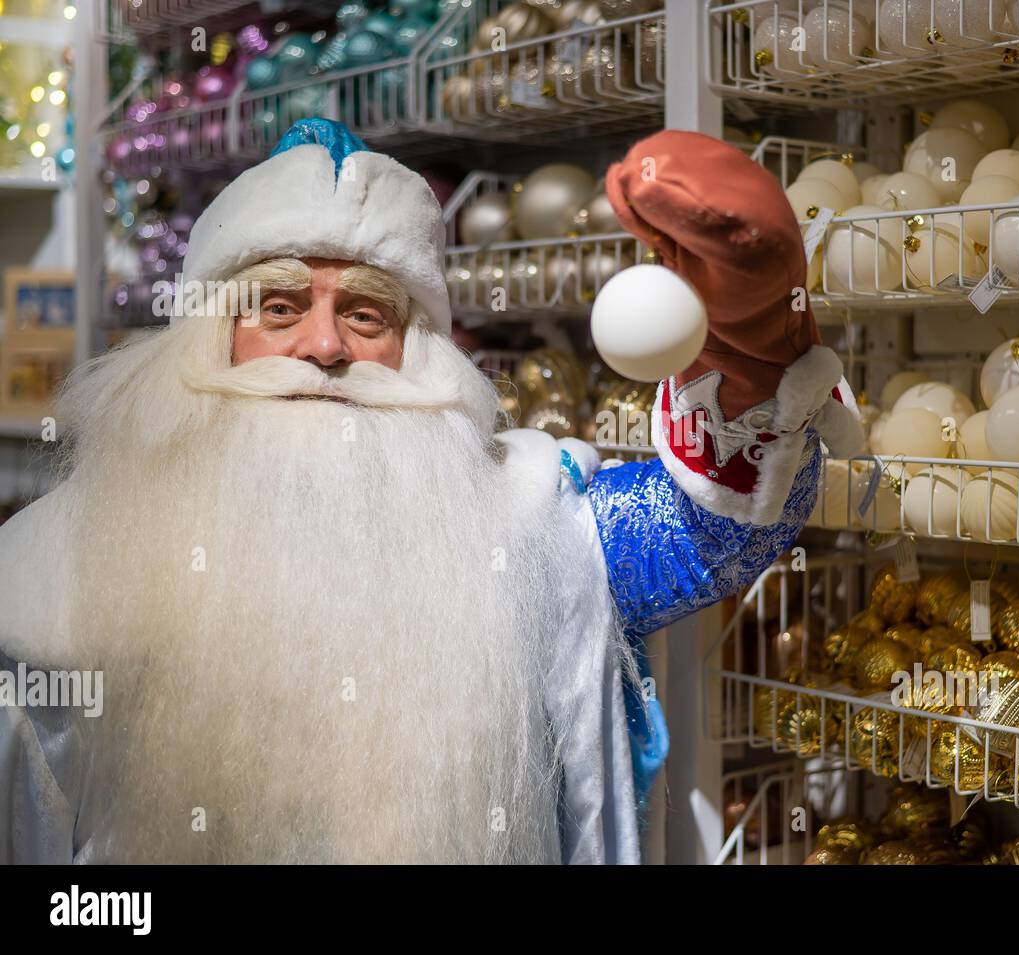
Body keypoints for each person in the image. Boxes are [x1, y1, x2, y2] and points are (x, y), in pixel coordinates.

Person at [0, 120, 862, 864]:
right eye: (279, 307)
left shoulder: (523, 516)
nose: (325, 344)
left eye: (366, 314)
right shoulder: (57, 561)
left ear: (416, 348)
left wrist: (750, 366)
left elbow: (699, 537)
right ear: (210, 335)